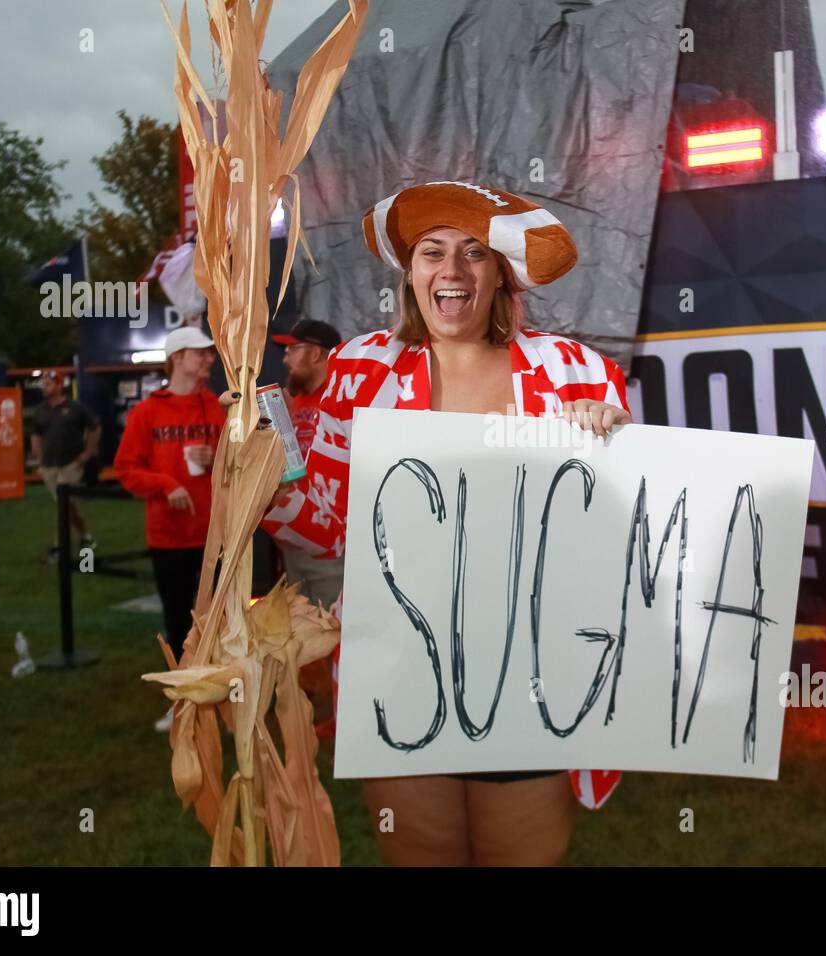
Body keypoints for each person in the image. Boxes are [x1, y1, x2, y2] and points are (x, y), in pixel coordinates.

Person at [260, 182, 632, 866]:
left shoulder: (574, 373)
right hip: (395, 665)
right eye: (432, 252)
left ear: (500, 273)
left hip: (528, 673)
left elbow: (620, 533)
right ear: (410, 272)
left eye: (473, 253)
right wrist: (259, 487)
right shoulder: (361, 369)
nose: (452, 271)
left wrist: (614, 444)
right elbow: (331, 527)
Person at [114, 326, 223, 732]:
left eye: (209, 354)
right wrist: (167, 484)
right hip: (169, 535)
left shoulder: (215, 406)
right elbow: (126, 470)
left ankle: (221, 695)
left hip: (214, 533)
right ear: (177, 357)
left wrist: (217, 457)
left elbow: (236, 466)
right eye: (201, 354)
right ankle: (183, 702)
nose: (208, 360)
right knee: (179, 620)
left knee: (220, 618)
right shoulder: (147, 412)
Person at [266, 318, 344, 609]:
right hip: (294, 540)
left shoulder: (341, 399)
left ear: (315, 353)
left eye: (292, 349)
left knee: (334, 635)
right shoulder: (293, 402)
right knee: (302, 640)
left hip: (331, 547)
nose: (285, 358)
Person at [29, 370, 100, 562]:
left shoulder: (76, 408)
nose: (44, 387)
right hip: (50, 465)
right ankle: (86, 537)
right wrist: (40, 460)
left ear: (60, 386)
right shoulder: (40, 411)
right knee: (69, 506)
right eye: (43, 384)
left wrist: (87, 453)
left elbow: (94, 428)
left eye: (48, 383)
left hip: (71, 464)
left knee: (64, 505)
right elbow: (35, 434)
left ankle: (59, 548)